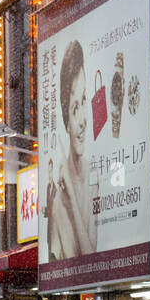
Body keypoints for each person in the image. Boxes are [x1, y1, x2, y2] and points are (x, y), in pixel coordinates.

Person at [45, 39, 98, 261]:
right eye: (75, 108)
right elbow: (90, 260)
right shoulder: (57, 202)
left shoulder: (95, 176)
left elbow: (92, 256)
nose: (83, 120)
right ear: (66, 120)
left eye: (85, 99)